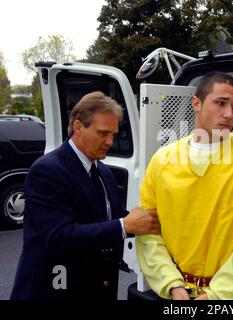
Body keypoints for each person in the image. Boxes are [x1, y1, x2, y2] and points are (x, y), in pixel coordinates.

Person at [136, 71, 233, 300]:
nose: (229, 113)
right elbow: (148, 232)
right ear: (196, 103)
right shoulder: (162, 160)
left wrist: (215, 296)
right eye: (221, 103)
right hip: (178, 293)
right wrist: (172, 284)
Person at [10, 91, 160, 300]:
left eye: (113, 135)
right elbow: (59, 237)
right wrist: (125, 225)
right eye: (103, 133)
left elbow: (108, 218)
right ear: (78, 127)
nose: (109, 141)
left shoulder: (102, 170)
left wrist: (145, 221)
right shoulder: (47, 170)